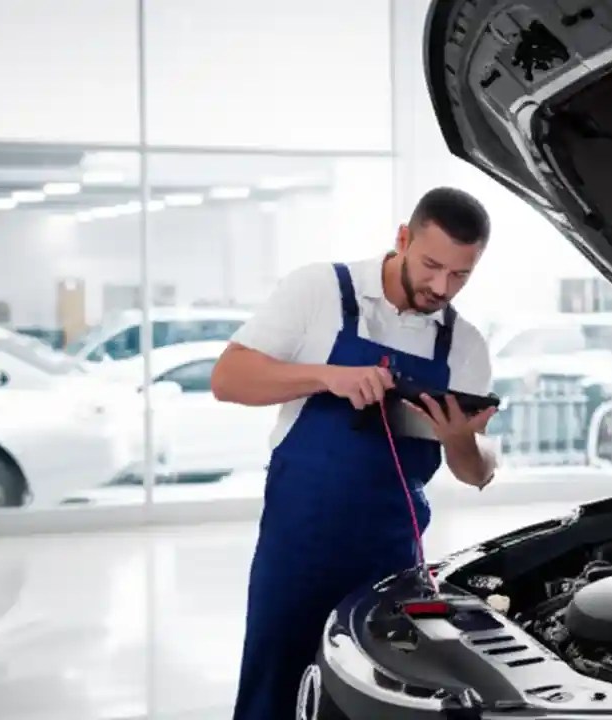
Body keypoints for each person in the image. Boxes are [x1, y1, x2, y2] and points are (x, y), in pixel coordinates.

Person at [211, 186, 499, 720]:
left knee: (373, 700)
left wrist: (461, 440)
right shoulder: (319, 290)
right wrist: (325, 376)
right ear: (403, 238)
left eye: (460, 275)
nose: (441, 286)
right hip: (298, 545)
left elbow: (477, 472)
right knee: (274, 687)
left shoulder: (465, 345)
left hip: (392, 558)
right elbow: (228, 379)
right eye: (432, 265)